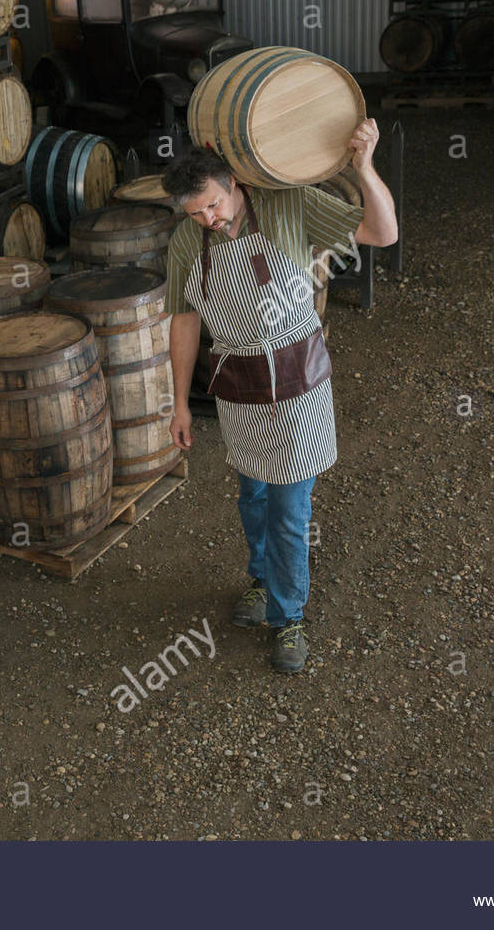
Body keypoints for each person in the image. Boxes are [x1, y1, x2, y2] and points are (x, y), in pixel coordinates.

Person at [162, 119, 399, 673]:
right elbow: (183, 322)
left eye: (214, 205)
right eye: (195, 212)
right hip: (239, 391)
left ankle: (289, 615)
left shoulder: (291, 206)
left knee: (290, 511)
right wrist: (177, 403)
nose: (209, 219)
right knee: (253, 498)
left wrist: (364, 167)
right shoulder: (185, 241)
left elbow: (382, 233)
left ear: (234, 185)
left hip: (296, 385)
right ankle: (262, 579)